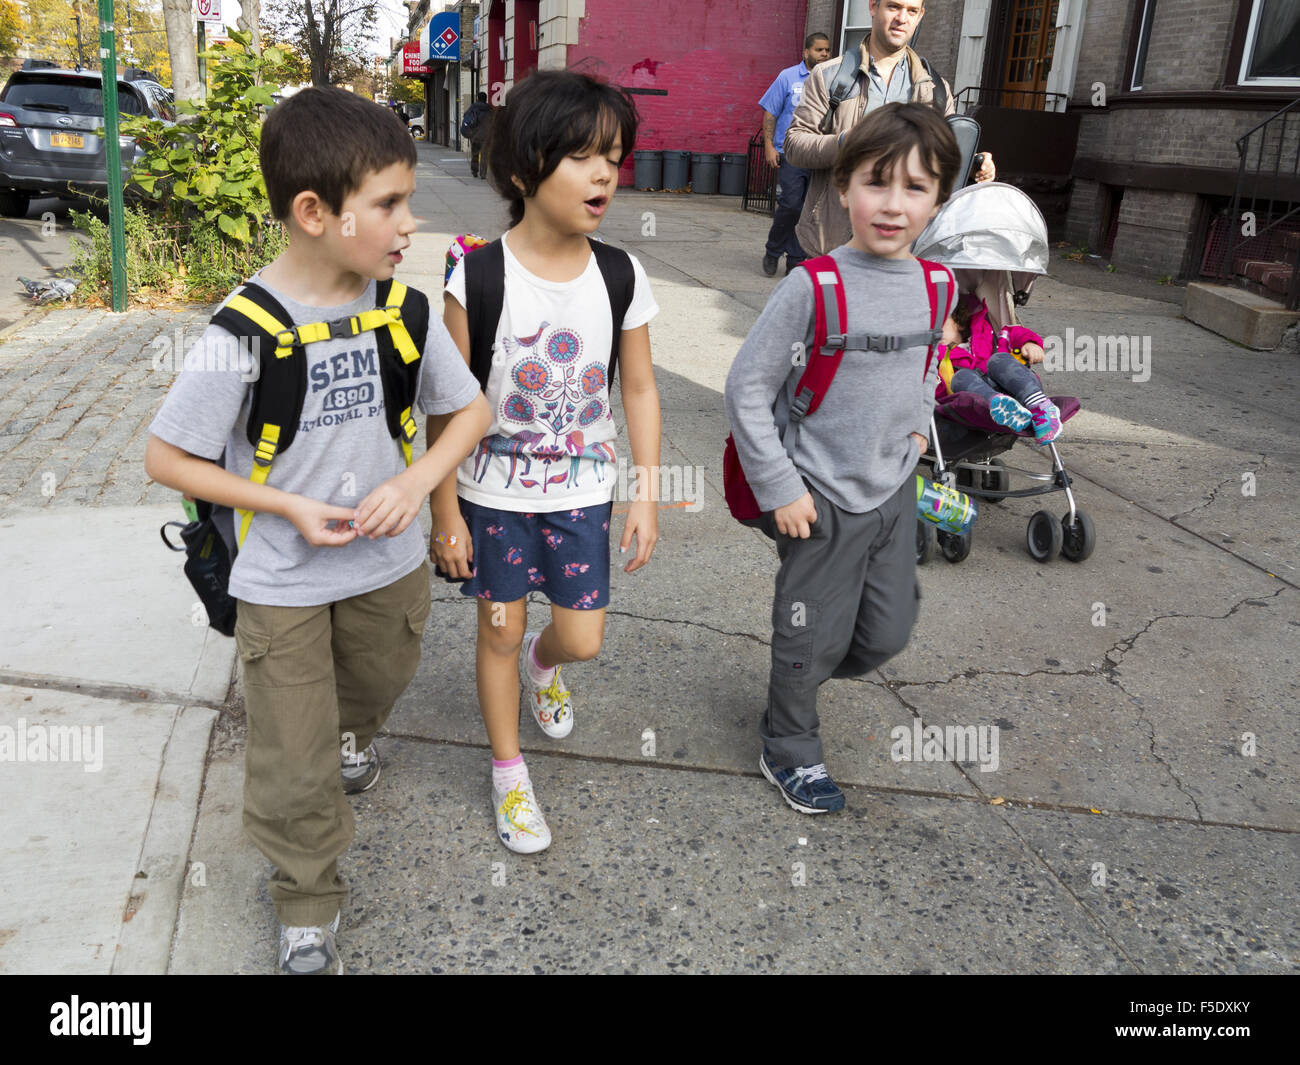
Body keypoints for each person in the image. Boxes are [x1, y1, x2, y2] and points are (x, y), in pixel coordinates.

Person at [143, 88, 491, 973]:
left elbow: (470, 412)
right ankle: (306, 897)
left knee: (378, 678)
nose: (410, 223)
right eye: (389, 204)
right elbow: (167, 457)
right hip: (281, 579)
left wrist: (417, 482)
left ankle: (352, 735)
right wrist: (286, 506)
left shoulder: (405, 310)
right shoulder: (245, 329)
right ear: (314, 212)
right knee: (292, 758)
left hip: (387, 566)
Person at [434, 71, 662, 853]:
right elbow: (448, 402)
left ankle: (545, 665)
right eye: (585, 156)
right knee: (497, 629)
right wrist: (443, 511)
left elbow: (637, 386)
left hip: (582, 492)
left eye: (616, 156)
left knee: (583, 637)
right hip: (491, 494)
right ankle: (508, 770)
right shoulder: (478, 276)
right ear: (526, 169)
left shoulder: (622, 275)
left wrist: (644, 492)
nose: (606, 173)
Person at [724, 102, 960, 813]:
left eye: (915, 188)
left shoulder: (937, 285)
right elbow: (747, 385)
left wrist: (920, 431)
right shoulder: (813, 286)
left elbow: (927, 365)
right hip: (816, 494)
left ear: (939, 199)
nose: (892, 205)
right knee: (805, 629)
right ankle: (789, 744)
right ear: (843, 187)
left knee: (884, 634)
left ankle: (805, 673)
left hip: (891, 490)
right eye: (875, 182)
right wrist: (780, 486)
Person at [784, 0, 997, 260]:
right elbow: (794, 145)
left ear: (920, 16)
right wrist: (845, 143)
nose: (902, 18)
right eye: (894, 7)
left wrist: (975, 166)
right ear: (873, 7)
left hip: (904, 246)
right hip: (834, 241)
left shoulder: (936, 90)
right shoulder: (829, 76)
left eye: (911, 11)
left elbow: (946, 157)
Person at [937, 295, 1062, 442]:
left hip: (1020, 388)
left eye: (938, 324)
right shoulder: (934, 356)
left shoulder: (987, 334)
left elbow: (1014, 332)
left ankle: (1040, 406)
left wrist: (1029, 343)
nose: (932, 332)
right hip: (982, 405)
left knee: (998, 359)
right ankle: (1004, 409)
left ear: (959, 321)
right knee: (960, 378)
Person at [759, 32, 832, 277]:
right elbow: (770, 112)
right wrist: (769, 145)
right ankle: (773, 250)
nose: (824, 54)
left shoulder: (832, 79)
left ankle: (796, 258)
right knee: (791, 204)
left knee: (808, 209)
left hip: (819, 154)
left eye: (827, 50)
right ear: (806, 52)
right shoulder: (787, 77)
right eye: (819, 50)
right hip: (791, 152)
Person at [461, 91, 493, 178]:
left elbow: (466, 118)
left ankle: (474, 170)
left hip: (474, 135)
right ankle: (483, 173)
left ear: (477, 98)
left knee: (475, 153)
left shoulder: (472, 108)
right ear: (485, 99)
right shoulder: (489, 109)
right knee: (484, 155)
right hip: (486, 136)